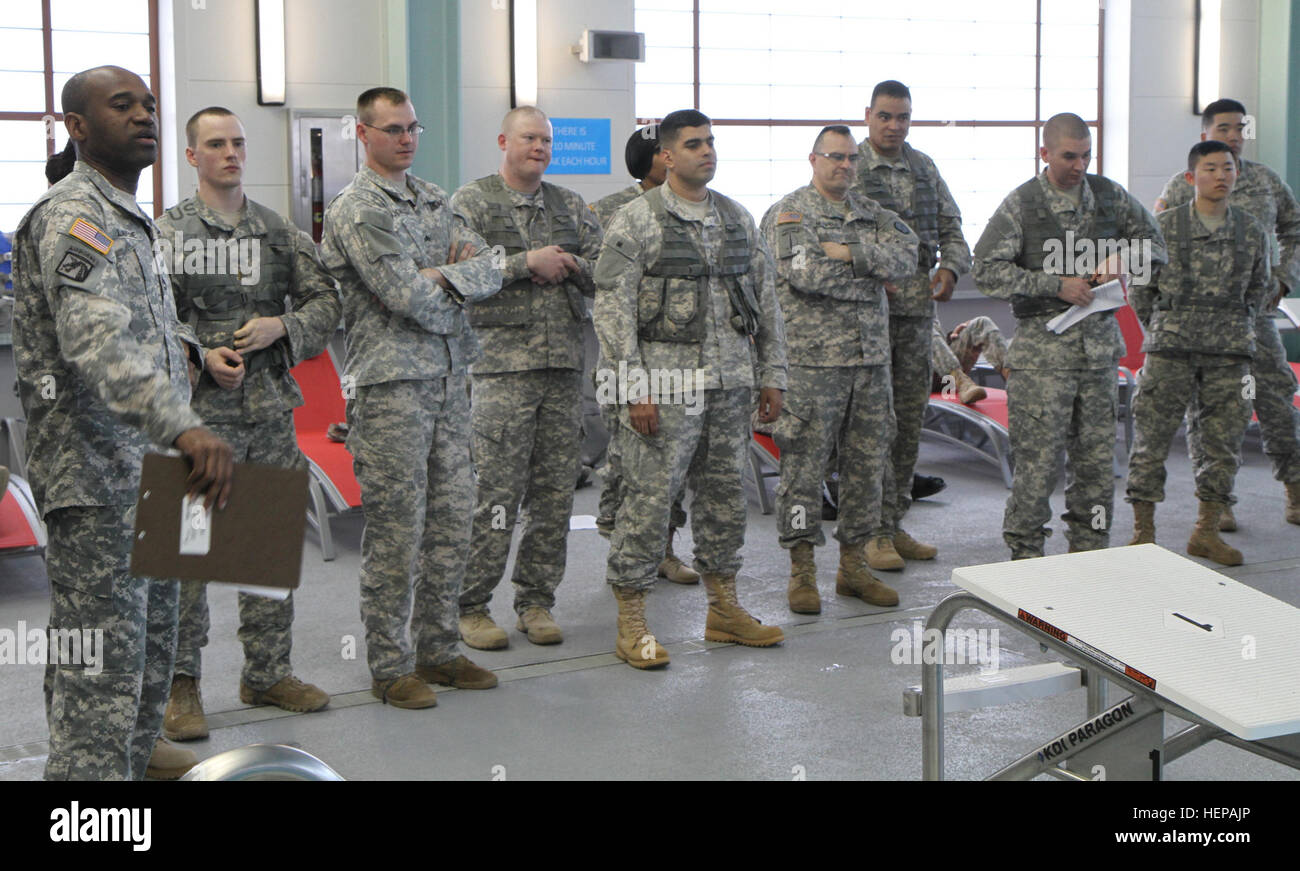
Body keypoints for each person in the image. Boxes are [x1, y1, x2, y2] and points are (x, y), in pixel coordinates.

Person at [12, 66, 234, 778]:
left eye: (149, 104)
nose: (144, 115)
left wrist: (191, 353)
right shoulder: (73, 215)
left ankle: (127, 775)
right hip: (100, 482)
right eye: (122, 105)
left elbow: (144, 327)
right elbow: (95, 341)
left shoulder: (132, 217)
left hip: (155, 476)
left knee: (147, 665)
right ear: (77, 126)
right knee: (99, 687)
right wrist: (186, 426)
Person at [157, 107, 342, 740]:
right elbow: (151, 315)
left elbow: (327, 303)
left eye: (238, 142)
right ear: (192, 157)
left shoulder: (277, 232)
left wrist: (282, 328)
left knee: (265, 547)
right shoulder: (168, 235)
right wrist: (199, 351)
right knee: (187, 551)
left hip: (268, 413)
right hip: (195, 418)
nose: (231, 153)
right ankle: (181, 686)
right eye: (216, 144)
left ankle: (266, 672)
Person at [321, 87, 502, 709]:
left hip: (451, 382)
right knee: (399, 531)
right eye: (392, 129)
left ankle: (440, 649)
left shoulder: (433, 198)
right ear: (363, 134)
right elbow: (405, 297)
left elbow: (493, 265)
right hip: (391, 388)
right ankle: (390, 665)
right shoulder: (356, 208)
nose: (405, 138)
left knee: (454, 520)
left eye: (412, 127)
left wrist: (441, 274)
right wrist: (445, 281)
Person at [594, 108, 787, 669]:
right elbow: (612, 310)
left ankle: (724, 608)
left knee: (726, 497)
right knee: (650, 501)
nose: (707, 152)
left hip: (730, 384)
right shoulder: (636, 220)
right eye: (694, 144)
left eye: (711, 143)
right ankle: (632, 622)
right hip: (666, 384)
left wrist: (772, 372)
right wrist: (634, 387)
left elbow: (766, 301)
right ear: (668, 156)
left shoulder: (736, 219)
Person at [973, 112, 1166, 559]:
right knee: (1037, 469)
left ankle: (1091, 558)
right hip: (1043, 360)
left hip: (1099, 359)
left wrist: (1126, 258)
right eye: (1068, 156)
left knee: (1097, 469)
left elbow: (1158, 248)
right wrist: (1054, 284)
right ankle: (1026, 560)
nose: (1079, 166)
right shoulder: (1022, 204)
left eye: (1086, 156)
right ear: (1044, 153)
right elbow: (986, 270)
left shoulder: (1108, 195)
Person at [449, 107, 603, 649]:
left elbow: (605, 272)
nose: (538, 147)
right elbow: (462, 274)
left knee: (554, 494)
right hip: (498, 371)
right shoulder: (471, 202)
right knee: (494, 495)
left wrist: (572, 266)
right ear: (503, 141)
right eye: (528, 138)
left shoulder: (571, 205)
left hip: (562, 370)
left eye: (546, 140)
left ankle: (536, 602)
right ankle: (470, 606)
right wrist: (525, 263)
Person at [762, 125, 917, 614]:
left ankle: (853, 568)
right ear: (813, 160)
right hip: (812, 368)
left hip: (871, 366)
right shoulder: (790, 214)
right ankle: (802, 570)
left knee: (867, 470)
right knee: (803, 473)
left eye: (852, 158)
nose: (845, 166)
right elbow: (802, 274)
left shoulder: (872, 213)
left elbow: (909, 258)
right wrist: (872, 274)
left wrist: (849, 254)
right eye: (835, 157)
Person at [1154, 98, 1300, 529]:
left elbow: (1294, 229)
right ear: (1205, 136)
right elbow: (1154, 245)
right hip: (1200, 325)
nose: (1233, 136)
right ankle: (1216, 503)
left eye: (1239, 128)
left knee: (1276, 398)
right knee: (1209, 412)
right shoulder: (1182, 186)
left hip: (1254, 317)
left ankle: (1294, 489)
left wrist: (1282, 278)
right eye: (1224, 129)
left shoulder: (1265, 182)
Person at [1127, 140, 1270, 564]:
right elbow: (1140, 290)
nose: (1221, 176)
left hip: (1230, 352)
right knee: (1150, 438)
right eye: (1210, 168)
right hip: (1171, 348)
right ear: (1191, 178)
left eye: (1228, 168)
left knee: (1223, 442)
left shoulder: (1251, 230)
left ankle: (1206, 531)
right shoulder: (1162, 228)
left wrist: (1235, 328)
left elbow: (1258, 290)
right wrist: (1164, 326)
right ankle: (1143, 533)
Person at [853, 80, 971, 571]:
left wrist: (950, 268)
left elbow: (952, 228)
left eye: (902, 117)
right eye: (885, 116)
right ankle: (866, 533)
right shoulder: (850, 167)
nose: (894, 126)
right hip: (865, 321)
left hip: (916, 317)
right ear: (868, 115)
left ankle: (893, 522)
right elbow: (834, 239)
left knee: (907, 425)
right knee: (871, 429)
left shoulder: (924, 168)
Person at [591, 125, 696, 585]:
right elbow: (599, 283)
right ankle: (625, 544)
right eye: (660, 150)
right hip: (625, 359)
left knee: (671, 466)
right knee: (627, 460)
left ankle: (665, 549)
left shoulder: (696, 208)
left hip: (679, 365)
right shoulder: (611, 211)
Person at [929, 317, 1012, 403]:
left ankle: (1014, 380)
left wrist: (949, 340)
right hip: (921, 377)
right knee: (926, 327)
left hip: (942, 371)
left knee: (981, 324)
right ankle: (961, 382)